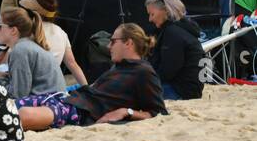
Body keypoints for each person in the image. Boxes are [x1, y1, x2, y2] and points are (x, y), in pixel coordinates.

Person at [15, 23, 166, 130]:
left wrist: (126, 112)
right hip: (67, 99)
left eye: (113, 41)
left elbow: (159, 112)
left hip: (80, 112)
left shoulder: (144, 72)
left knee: (23, 115)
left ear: (128, 43)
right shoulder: (120, 66)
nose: (108, 46)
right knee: (7, 106)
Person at [144, 0, 205, 100]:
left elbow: (167, 70)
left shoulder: (172, 33)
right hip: (190, 89)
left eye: (152, 14)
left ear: (166, 10)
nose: (150, 19)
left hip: (181, 91)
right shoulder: (181, 28)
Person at [18, 0, 87, 84]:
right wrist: (87, 88)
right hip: (53, 87)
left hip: (30, 88)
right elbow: (72, 64)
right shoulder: (61, 33)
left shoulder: (27, 33)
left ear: (32, 13)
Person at [0, 7, 65, 99]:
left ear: (13, 30)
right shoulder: (27, 46)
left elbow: (18, 95)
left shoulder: (21, 50)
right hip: (54, 104)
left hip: (47, 106)